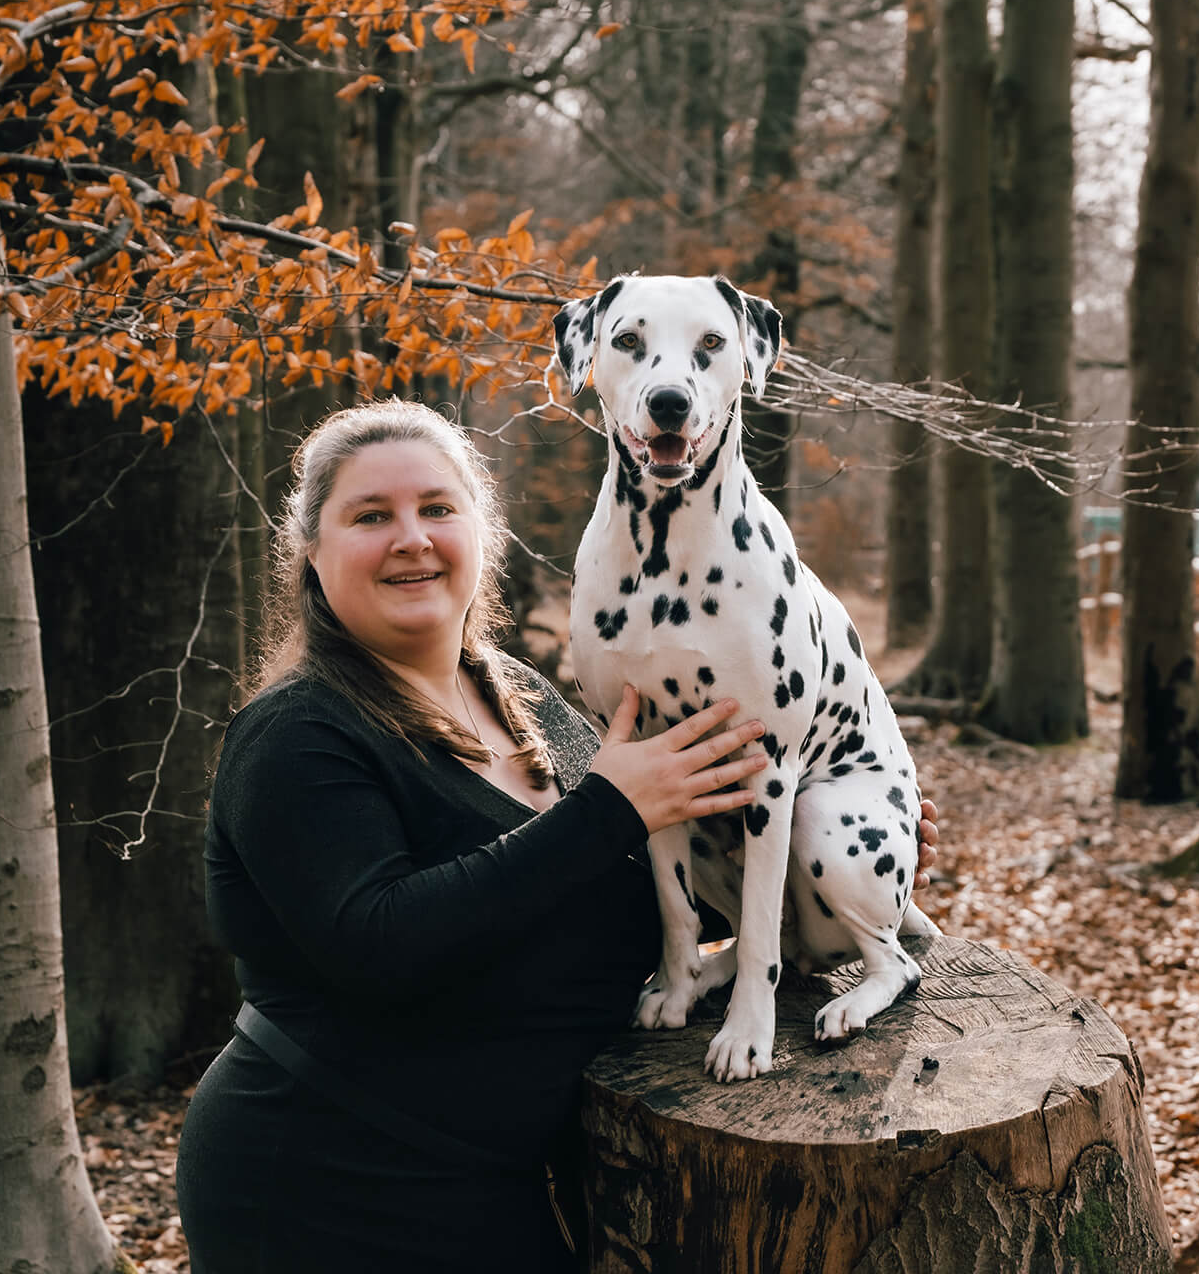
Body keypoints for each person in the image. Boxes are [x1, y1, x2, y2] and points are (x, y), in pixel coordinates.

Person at [175, 399, 939, 1272]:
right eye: (370, 516)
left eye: (436, 509)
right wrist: (608, 809)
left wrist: (838, 848)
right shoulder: (297, 735)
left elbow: (602, 896)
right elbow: (379, 943)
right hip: (323, 1180)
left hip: (498, 1181)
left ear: (482, 532)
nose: (411, 537)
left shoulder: (524, 699)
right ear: (312, 551)